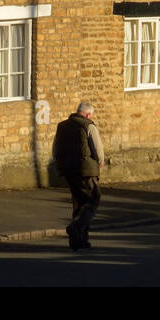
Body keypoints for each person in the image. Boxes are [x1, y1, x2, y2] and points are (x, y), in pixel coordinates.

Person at [52, 101, 104, 250]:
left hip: (68, 170)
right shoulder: (88, 125)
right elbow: (97, 147)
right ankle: (76, 227)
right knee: (92, 200)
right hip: (86, 170)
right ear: (88, 114)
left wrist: (59, 162)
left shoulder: (62, 126)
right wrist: (100, 161)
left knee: (78, 204)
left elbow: (55, 148)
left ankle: (79, 241)